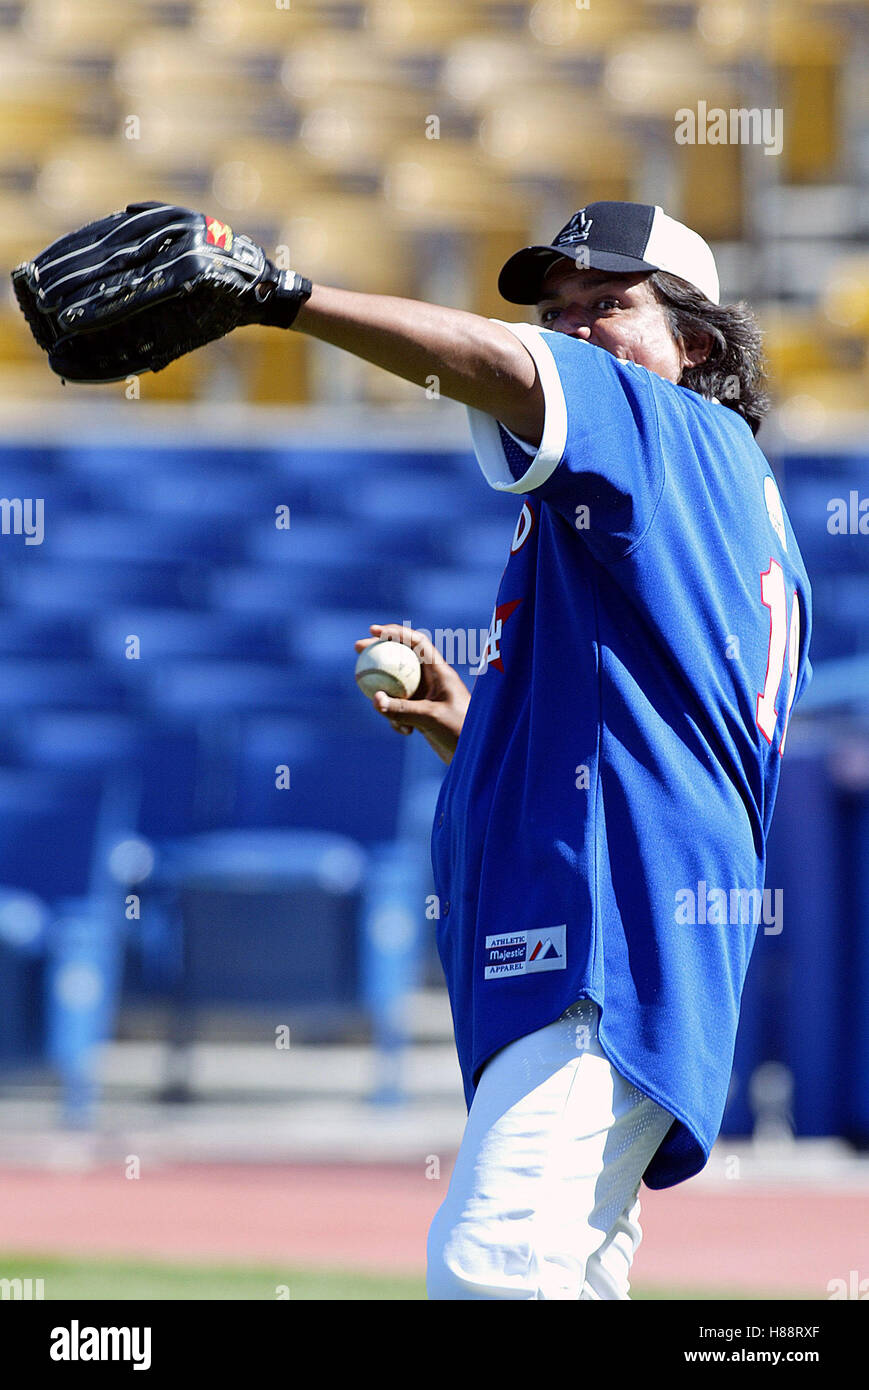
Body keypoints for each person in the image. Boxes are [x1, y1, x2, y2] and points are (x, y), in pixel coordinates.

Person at [303, 200, 813, 1300]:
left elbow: (494, 362)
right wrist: (473, 730)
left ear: (696, 344)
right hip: (618, 929)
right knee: (557, 1270)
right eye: (558, 308)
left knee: (496, 1261)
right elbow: (648, 736)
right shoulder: (674, 500)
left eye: (608, 305)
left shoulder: (669, 431)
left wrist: (277, 295)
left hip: (609, 939)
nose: (574, 329)